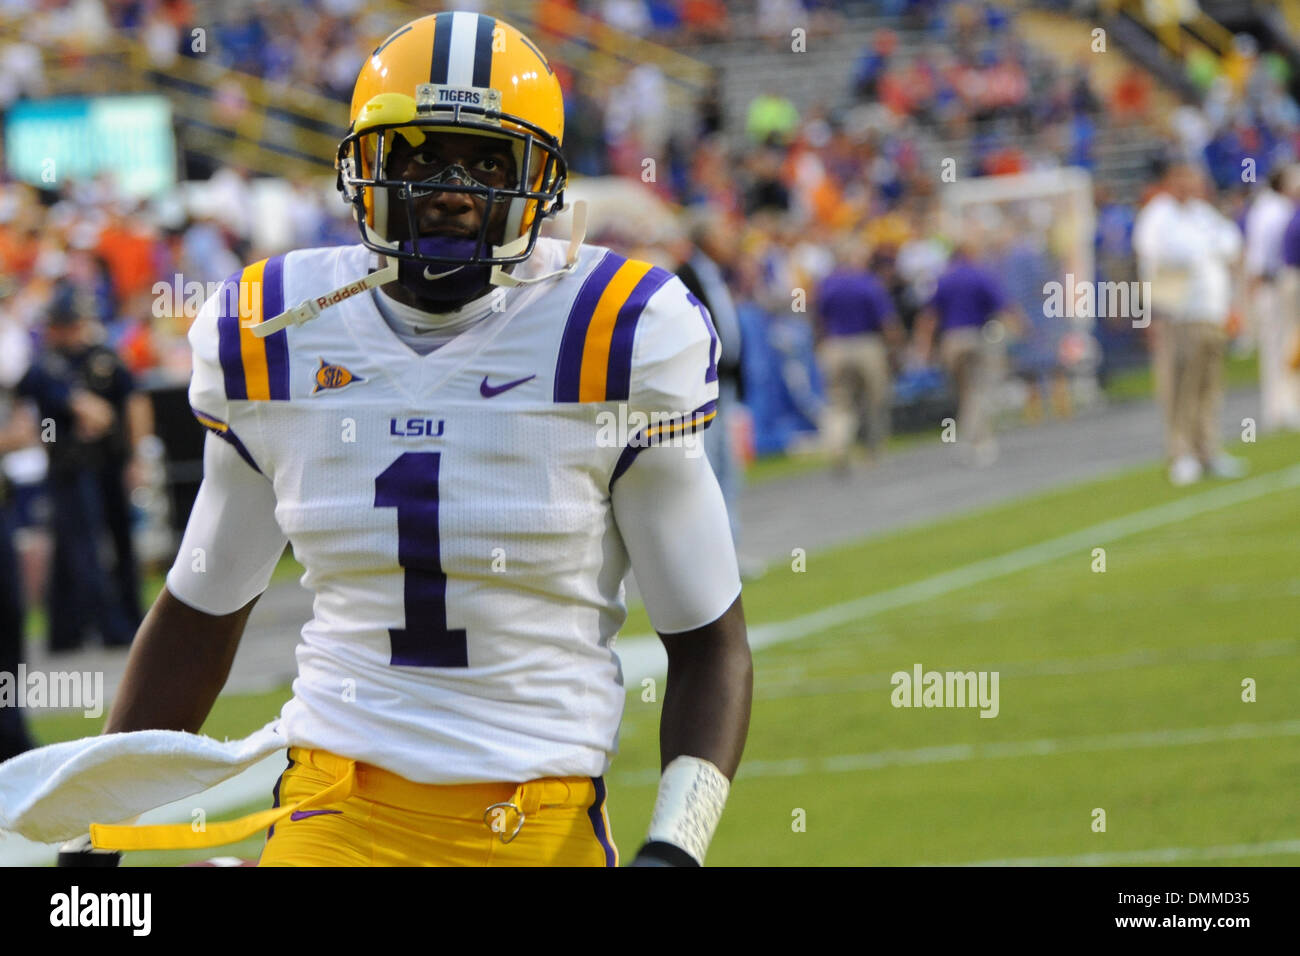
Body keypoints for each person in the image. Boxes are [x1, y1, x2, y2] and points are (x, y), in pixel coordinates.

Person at [95, 12, 751, 868]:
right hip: (332, 801)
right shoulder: (276, 331)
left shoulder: (614, 335)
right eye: (420, 153)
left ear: (539, 181)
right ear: (365, 166)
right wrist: (94, 827)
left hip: (535, 815)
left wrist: (675, 848)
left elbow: (708, 642)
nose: (452, 187)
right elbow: (198, 615)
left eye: (488, 162)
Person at [23, 286, 149, 651]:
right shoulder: (45, 366)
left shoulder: (104, 358)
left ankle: (124, 621)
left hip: (110, 463)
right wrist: (89, 414)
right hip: (70, 470)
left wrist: (138, 455)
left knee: (120, 543)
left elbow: (132, 401)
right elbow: (79, 408)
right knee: (81, 551)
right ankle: (100, 628)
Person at [1133, 161, 1246, 486]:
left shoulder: (1200, 212)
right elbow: (1167, 253)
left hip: (1211, 310)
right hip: (1179, 312)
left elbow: (1230, 241)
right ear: (1172, 180)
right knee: (1180, 384)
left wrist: (1206, 250)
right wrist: (1205, 250)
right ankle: (1180, 453)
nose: (1191, 186)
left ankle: (1207, 449)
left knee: (1209, 385)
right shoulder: (1158, 214)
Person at [912, 240, 1014, 466]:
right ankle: (973, 439)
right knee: (979, 390)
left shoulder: (943, 279)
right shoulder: (980, 275)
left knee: (964, 392)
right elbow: (1003, 305)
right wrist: (1022, 329)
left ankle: (975, 438)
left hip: (951, 341)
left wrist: (925, 347)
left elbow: (930, 316)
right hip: (977, 337)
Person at [813, 239, 903, 470]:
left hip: (835, 346)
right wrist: (895, 348)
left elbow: (818, 320)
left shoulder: (826, 284)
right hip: (866, 345)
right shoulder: (869, 283)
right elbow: (887, 321)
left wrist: (821, 346)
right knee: (875, 400)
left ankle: (838, 446)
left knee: (839, 401)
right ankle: (872, 451)